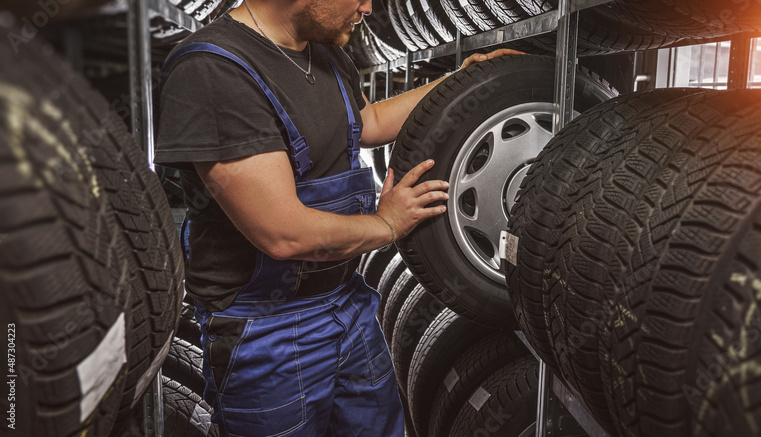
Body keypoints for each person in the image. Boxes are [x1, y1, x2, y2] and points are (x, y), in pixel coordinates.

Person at [154, 0, 522, 434]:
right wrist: (386, 224)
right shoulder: (214, 71)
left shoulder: (324, 50)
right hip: (267, 329)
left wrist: (462, 80)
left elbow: (366, 121)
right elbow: (282, 233)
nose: (368, 7)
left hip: (348, 303)